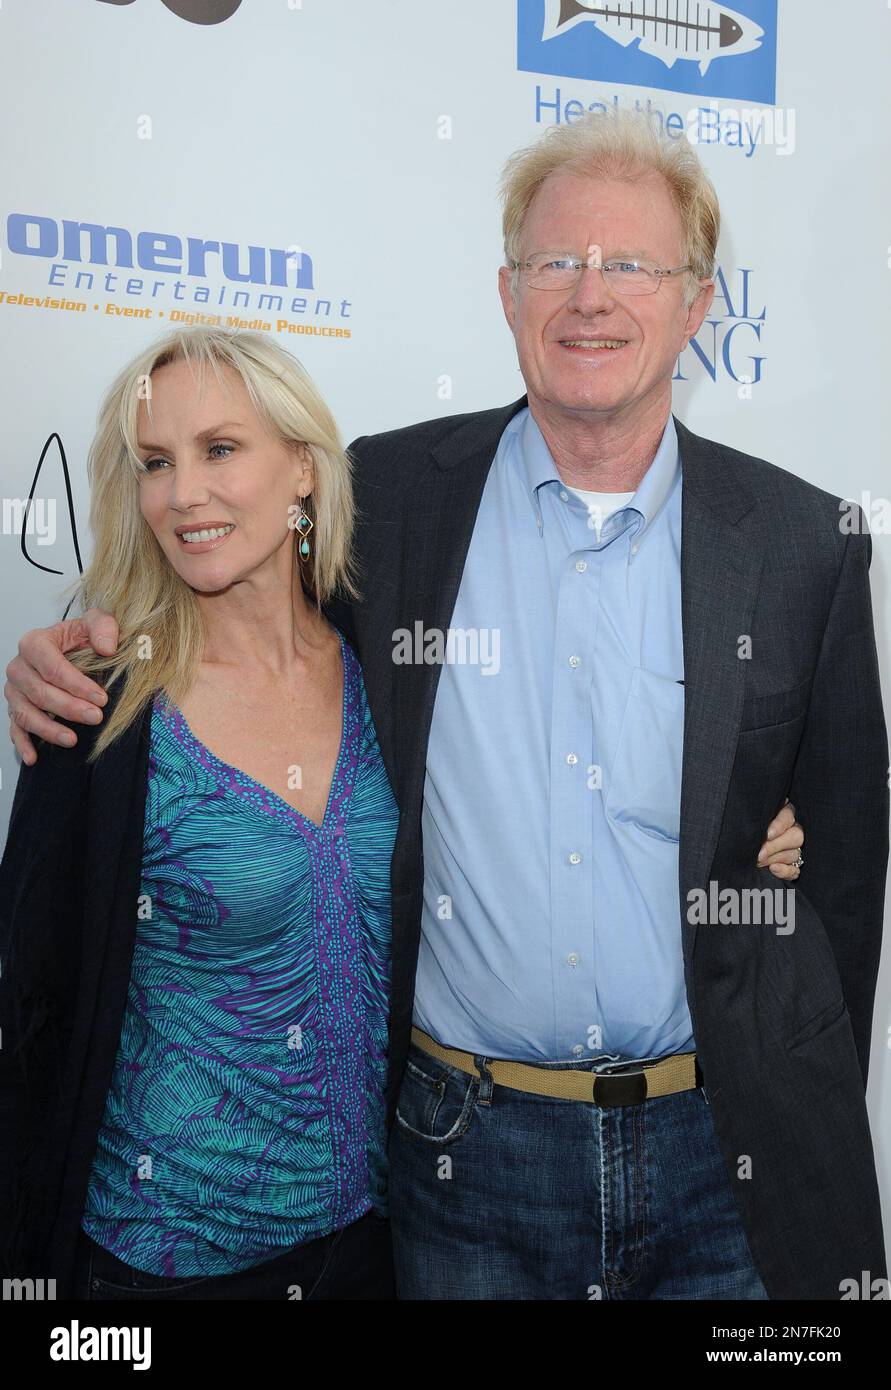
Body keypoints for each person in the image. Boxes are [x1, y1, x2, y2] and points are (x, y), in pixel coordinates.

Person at [5, 109, 860, 1300]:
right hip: (462, 1165)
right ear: (507, 294)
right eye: (556, 262)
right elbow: (224, 590)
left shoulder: (803, 543)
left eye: (631, 266)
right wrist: (63, 653)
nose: (590, 297)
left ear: (699, 302)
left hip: (724, 1158)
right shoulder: (399, 501)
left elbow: (842, 895)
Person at [0, 327, 398, 1299]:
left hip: (377, 1244)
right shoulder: (97, 703)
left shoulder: (391, 664)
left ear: (302, 467)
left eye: (220, 449)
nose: (183, 494)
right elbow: (35, 1004)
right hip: (159, 1261)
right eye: (155, 463)